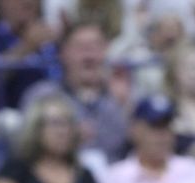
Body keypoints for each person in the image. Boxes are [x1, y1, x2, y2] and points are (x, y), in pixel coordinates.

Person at [20, 20, 130, 165]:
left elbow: (131, 146)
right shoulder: (42, 95)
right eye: (81, 47)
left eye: (96, 47)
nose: (89, 56)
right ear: (63, 53)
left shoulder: (121, 94)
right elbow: (27, 145)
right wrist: (70, 135)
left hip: (115, 176)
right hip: (58, 174)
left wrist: (125, 106)